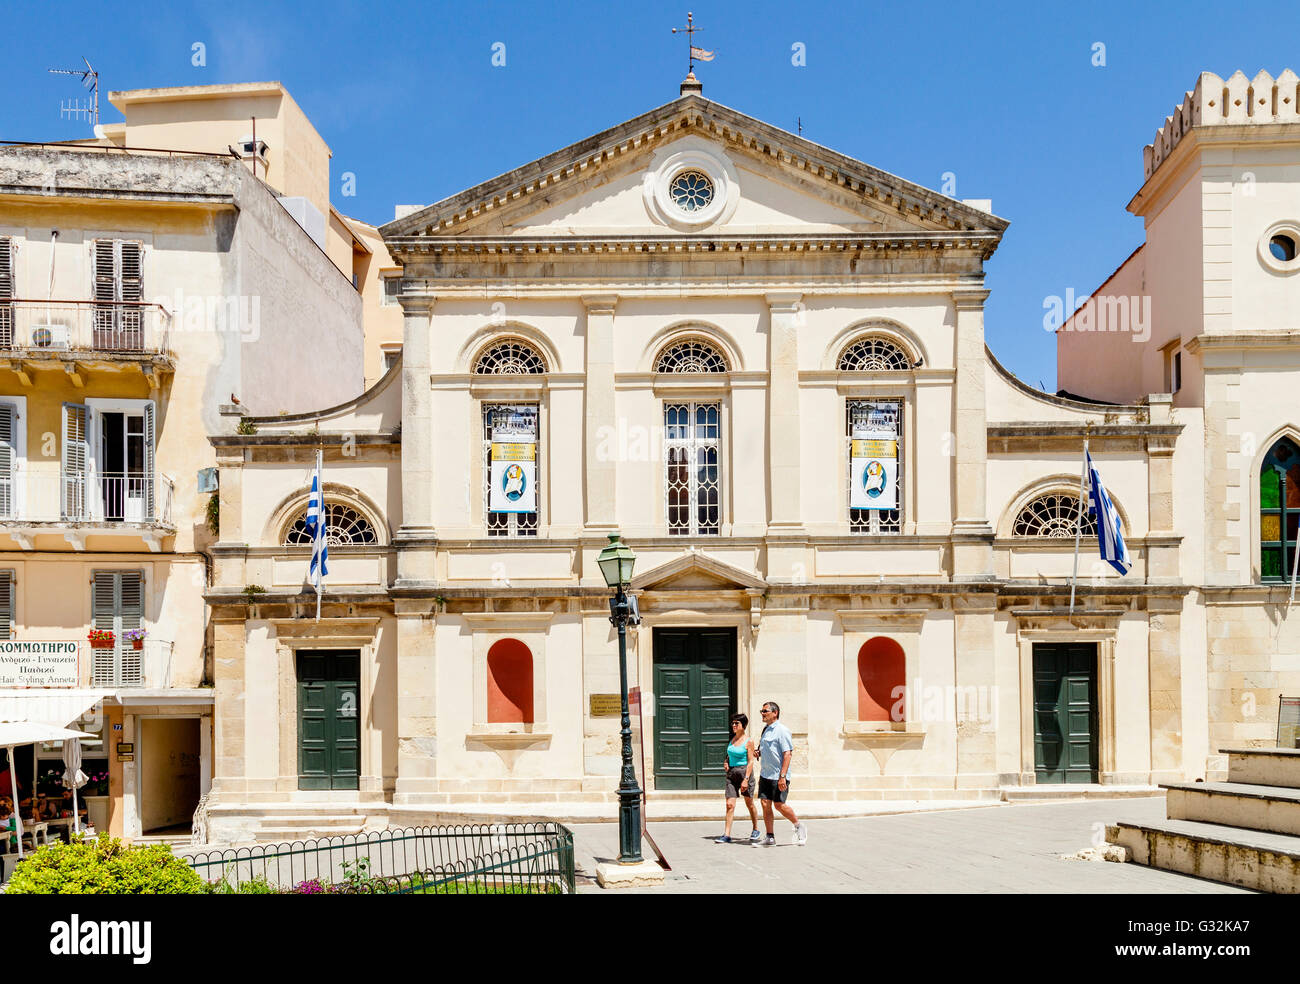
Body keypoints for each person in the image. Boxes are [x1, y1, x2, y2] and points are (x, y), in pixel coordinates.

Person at [753, 701, 807, 848]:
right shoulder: (766, 729)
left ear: (774, 713)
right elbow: (768, 749)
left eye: (765, 711)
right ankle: (770, 837)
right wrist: (759, 752)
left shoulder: (782, 730)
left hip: (778, 775)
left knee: (779, 805)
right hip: (765, 774)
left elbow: (787, 754)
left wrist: (782, 776)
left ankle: (798, 826)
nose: (762, 714)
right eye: (761, 711)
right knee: (765, 804)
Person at [715, 713, 761, 844]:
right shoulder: (732, 739)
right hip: (731, 774)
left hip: (744, 772)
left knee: (749, 803)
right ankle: (727, 834)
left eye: (737, 723)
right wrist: (726, 761)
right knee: (729, 805)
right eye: (733, 723)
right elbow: (730, 754)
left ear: (743, 725)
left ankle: (756, 829)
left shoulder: (749, 741)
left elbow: (751, 761)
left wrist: (746, 779)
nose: (734, 725)